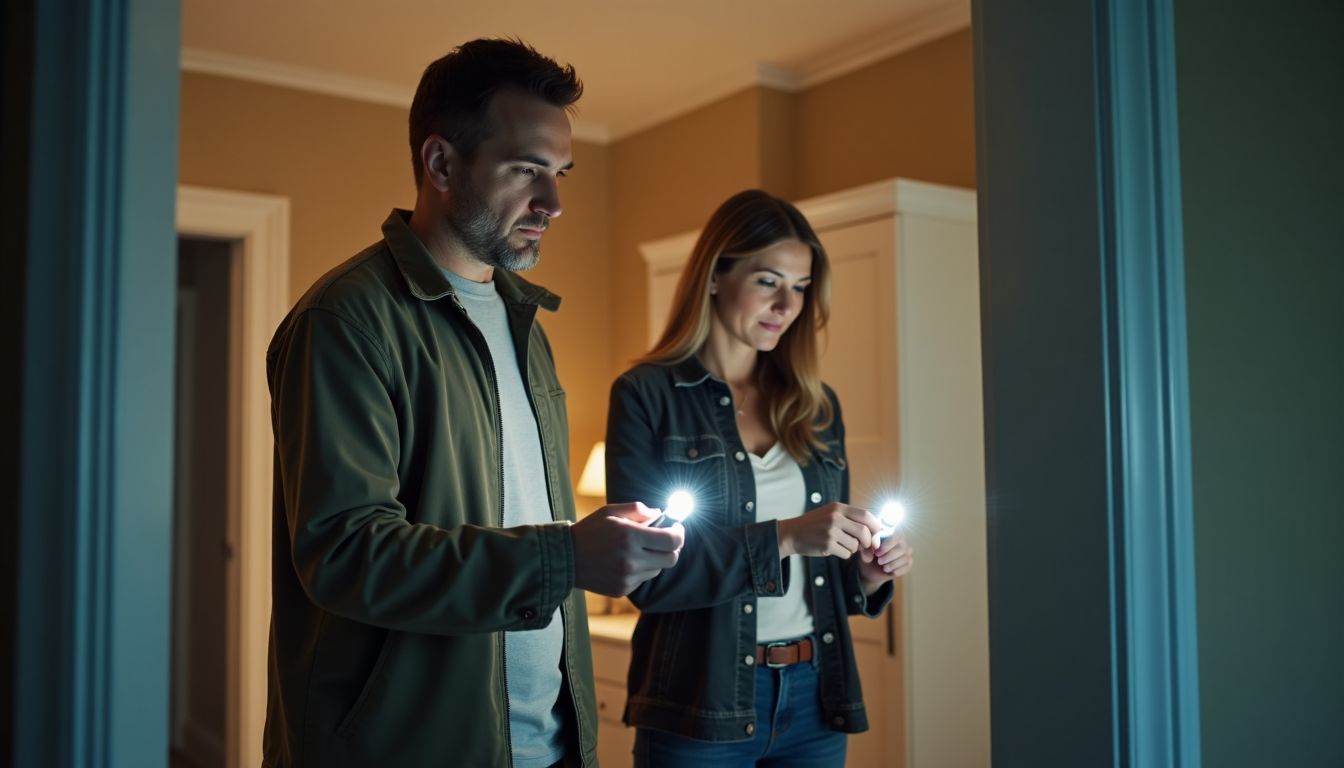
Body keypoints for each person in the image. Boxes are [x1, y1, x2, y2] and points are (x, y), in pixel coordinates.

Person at [264, 38, 684, 768]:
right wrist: (567, 556)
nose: (553, 203)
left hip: (546, 744)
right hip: (406, 748)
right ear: (440, 163)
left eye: (559, 174)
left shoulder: (528, 325)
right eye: (525, 170)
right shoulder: (348, 321)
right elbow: (346, 552)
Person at [604, 189, 915, 766]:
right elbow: (643, 579)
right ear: (716, 275)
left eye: (800, 288)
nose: (787, 305)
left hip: (816, 698)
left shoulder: (817, 406)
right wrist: (786, 536)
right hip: (699, 705)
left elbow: (830, 580)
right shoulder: (646, 396)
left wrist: (868, 575)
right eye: (769, 281)